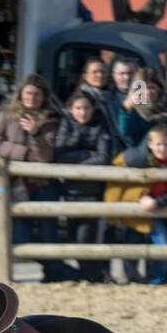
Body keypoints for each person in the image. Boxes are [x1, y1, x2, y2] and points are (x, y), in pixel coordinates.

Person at [0, 74, 73, 281]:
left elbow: (47, 155)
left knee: (48, 233)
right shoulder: (7, 113)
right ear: (21, 94)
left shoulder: (52, 118)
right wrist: (24, 153)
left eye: (37, 94)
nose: (32, 97)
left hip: (43, 184)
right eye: (28, 93)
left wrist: (35, 133)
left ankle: (53, 273)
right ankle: (5, 273)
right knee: (18, 234)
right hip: (15, 185)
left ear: (43, 96)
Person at [105, 123, 167, 284]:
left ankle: (157, 278)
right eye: (158, 144)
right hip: (138, 208)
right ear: (150, 144)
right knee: (132, 242)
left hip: (163, 208)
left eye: (166, 144)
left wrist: (156, 202)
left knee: (164, 245)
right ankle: (132, 276)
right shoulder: (137, 159)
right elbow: (122, 182)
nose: (162, 148)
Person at [53, 90, 113, 282]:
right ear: (71, 109)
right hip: (71, 191)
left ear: (93, 109)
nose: (82, 112)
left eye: (86, 108)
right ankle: (90, 275)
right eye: (78, 108)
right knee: (73, 235)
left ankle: (92, 276)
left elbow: (104, 158)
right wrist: (88, 155)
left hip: (94, 192)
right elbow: (59, 155)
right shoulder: (66, 124)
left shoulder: (101, 125)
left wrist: (76, 158)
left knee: (86, 237)